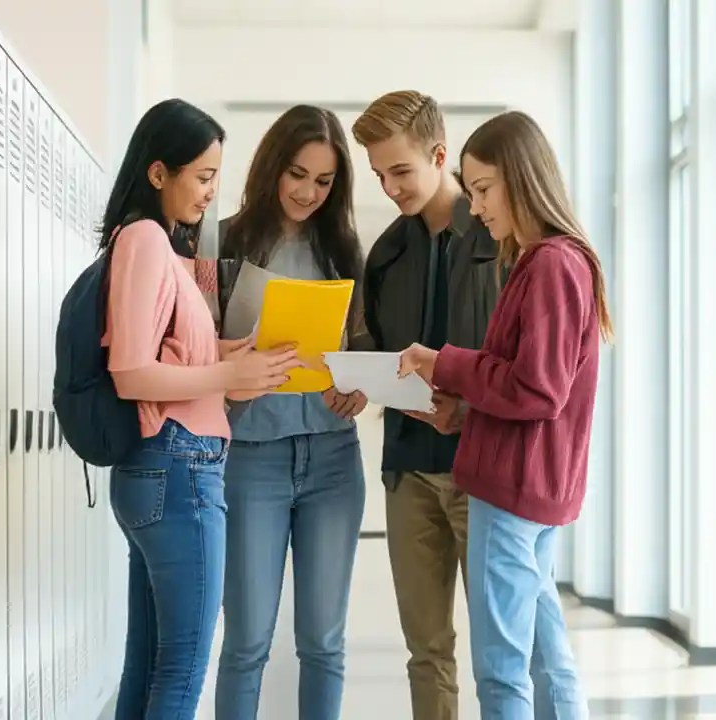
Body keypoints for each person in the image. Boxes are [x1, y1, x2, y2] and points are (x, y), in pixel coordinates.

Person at [398, 110, 612, 720]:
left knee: (502, 673)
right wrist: (466, 414)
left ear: (522, 179)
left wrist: (444, 363)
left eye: (485, 189)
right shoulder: (560, 262)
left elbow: (537, 390)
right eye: (472, 192)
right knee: (548, 659)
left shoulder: (548, 264)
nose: (478, 207)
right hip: (536, 490)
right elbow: (536, 393)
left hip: (512, 495)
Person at [99, 98, 302, 720]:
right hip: (180, 468)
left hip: (167, 467)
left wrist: (228, 357)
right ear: (159, 173)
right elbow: (130, 372)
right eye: (204, 176)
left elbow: (166, 354)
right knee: (183, 672)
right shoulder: (144, 240)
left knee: (152, 668)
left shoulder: (158, 245)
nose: (213, 192)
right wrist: (225, 373)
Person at [212, 104, 370, 720]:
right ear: (274, 167)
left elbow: (359, 353)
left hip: (333, 458)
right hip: (252, 459)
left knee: (324, 644)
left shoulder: (346, 251)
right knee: (247, 643)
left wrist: (354, 387)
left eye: (324, 181)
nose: (308, 192)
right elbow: (195, 357)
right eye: (297, 174)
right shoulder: (223, 244)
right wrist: (231, 376)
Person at [350, 90, 502, 720]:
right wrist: (354, 377)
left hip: (485, 470)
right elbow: (378, 354)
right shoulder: (385, 253)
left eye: (401, 171)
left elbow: (518, 367)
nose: (389, 187)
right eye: (379, 174)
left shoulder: (497, 239)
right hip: (408, 469)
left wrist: (465, 411)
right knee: (426, 649)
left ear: (441, 155)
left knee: (501, 650)